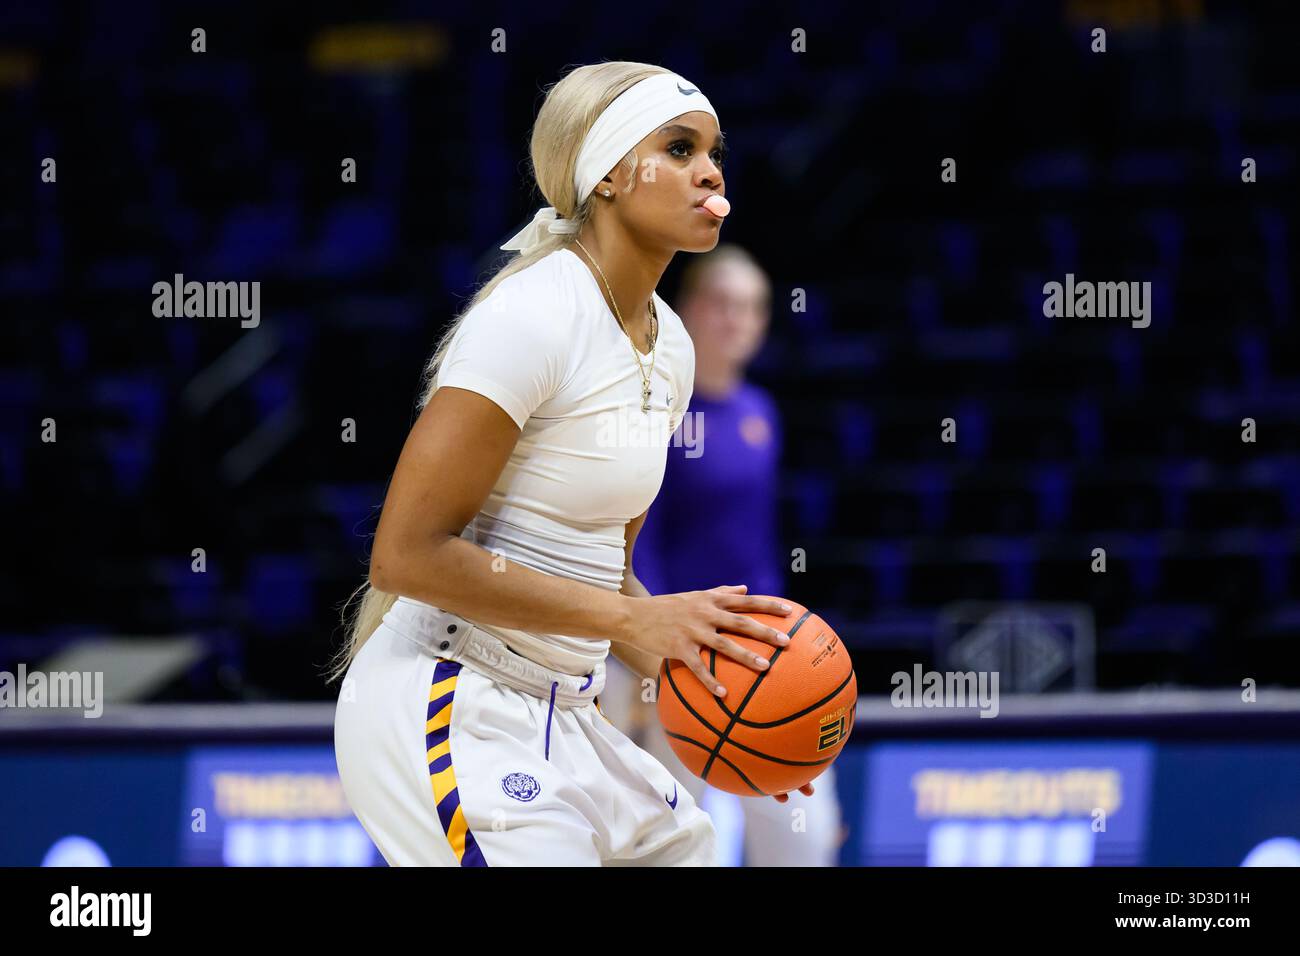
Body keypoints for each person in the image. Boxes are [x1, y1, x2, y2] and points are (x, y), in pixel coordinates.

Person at [330, 61, 812, 867]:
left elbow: (604, 571)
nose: (711, 170)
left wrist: (742, 706)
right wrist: (633, 622)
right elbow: (405, 554)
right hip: (455, 693)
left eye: (715, 151)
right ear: (612, 174)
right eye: (681, 146)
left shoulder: (673, 347)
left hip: (570, 709)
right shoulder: (533, 316)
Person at [605, 244, 846, 866]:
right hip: (671, 651)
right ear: (687, 311)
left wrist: (792, 639)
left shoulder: (760, 413)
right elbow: (632, 546)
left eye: (753, 308)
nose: (739, 320)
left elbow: (756, 550)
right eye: (723, 305)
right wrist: (645, 662)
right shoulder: (652, 410)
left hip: (754, 650)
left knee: (805, 833)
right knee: (671, 841)